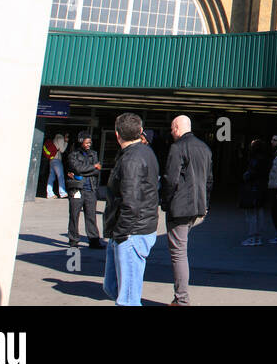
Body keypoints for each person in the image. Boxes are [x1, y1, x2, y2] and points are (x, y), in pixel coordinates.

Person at [102, 113, 160, 306]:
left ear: (117, 134)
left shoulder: (132, 159)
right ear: (140, 131)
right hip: (132, 230)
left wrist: (121, 232)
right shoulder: (142, 153)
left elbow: (131, 202)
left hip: (131, 233)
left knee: (127, 298)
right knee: (112, 287)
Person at [160, 115, 212, 306]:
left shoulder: (177, 147)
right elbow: (209, 180)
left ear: (176, 128)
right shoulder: (205, 148)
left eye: (172, 129)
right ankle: (180, 298)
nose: (171, 132)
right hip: (197, 207)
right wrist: (205, 204)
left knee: (179, 254)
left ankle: (181, 299)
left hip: (180, 208)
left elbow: (170, 179)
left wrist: (165, 202)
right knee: (181, 251)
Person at [66, 131, 102, 249]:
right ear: (81, 142)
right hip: (77, 188)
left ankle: (94, 241)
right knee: (74, 215)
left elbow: (97, 170)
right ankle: (73, 240)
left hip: (90, 189)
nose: (88, 144)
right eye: (86, 142)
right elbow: (77, 168)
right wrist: (92, 167)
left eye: (90, 142)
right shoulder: (73, 155)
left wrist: (85, 171)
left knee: (91, 215)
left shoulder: (94, 154)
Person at [238, 138, 270, 245]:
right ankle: (258, 236)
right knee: (259, 212)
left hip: (253, 188)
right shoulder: (266, 158)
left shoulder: (254, 159)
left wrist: (246, 176)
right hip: (261, 187)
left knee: (251, 213)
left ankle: (252, 236)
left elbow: (251, 173)